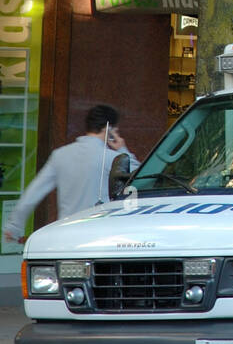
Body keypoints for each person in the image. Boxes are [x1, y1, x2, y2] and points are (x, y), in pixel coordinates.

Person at [2, 104, 138, 246]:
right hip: (99, 237)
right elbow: (142, 175)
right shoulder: (112, 158)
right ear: (109, 129)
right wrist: (122, 148)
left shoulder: (60, 155)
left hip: (66, 237)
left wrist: (14, 226)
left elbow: (34, 192)